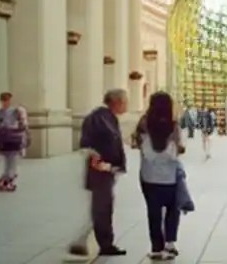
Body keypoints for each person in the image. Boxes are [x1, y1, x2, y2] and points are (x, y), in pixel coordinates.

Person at [69, 89, 129, 258]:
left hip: (106, 169)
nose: (126, 105)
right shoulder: (98, 118)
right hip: (100, 170)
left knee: (103, 206)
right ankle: (103, 243)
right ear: (116, 102)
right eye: (124, 102)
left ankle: (100, 241)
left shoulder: (108, 118)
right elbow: (88, 144)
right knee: (102, 207)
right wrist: (98, 160)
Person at [137, 92, 185, 260]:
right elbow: (179, 148)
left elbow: (136, 142)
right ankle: (170, 244)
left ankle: (156, 247)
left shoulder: (143, 123)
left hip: (148, 175)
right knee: (172, 209)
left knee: (153, 211)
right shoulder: (173, 125)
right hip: (169, 177)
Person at [0, 92, 28, 191]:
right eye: (3, 101)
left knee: (12, 159)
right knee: (8, 159)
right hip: (5, 137)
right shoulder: (0, 111)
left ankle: (9, 178)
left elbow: (23, 121)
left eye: (6, 100)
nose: (5, 102)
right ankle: (6, 177)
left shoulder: (15, 110)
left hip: (13, 137)